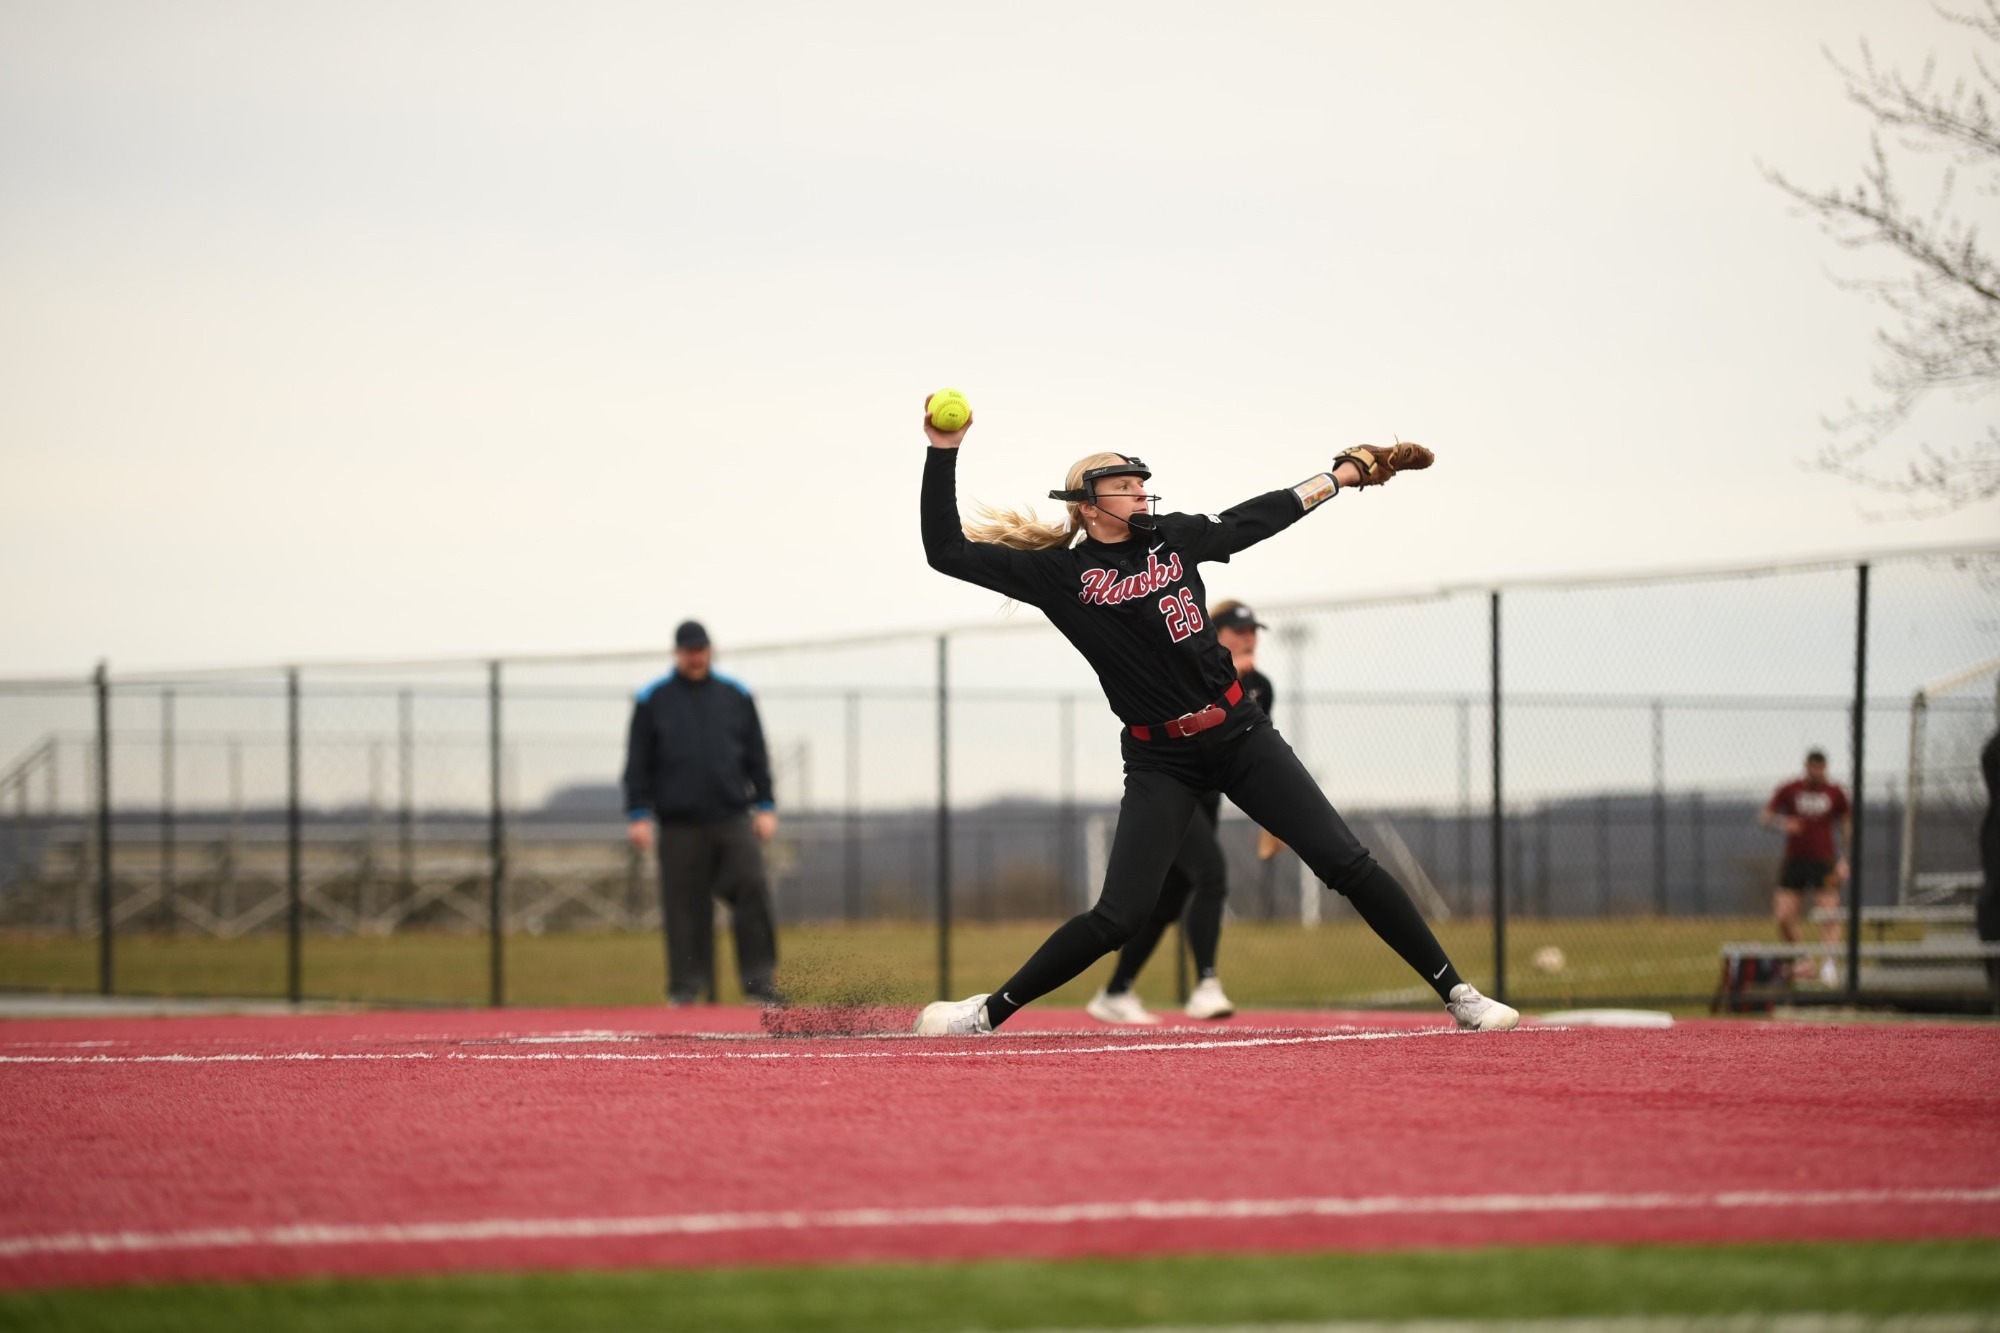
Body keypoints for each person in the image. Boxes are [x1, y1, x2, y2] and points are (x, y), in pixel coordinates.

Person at [913, 395, 1517, 1035]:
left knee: (1347, 863)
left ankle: (1459, 995)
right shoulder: (1058, 573)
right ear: (1087, 505)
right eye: (1124, 487)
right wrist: (942, 450)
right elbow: (944, 550)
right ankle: (986, 1013)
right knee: (1119, 917)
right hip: (1160, 757)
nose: (1141, 496)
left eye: (1143, 485)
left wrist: (1340, 475)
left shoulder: (1175, 536)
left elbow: (1258, 517)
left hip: (1238, 732)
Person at [1086, 599, 1273, 1024]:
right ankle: (1206, 985)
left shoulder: (1262, 685)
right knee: (1211, 875)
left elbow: (1259, 753)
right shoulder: (1186, 666)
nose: (1248, 638)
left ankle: (1115, 992)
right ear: (1214, 633)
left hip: (1207, 804)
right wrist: (1228, 681)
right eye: (1238, 630)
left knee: (1168, 902)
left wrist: (1273, 822)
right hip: (1173, 794)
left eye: (1253, 631)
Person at [622, 620, 783, 1005]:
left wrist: (765, 804)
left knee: (752, 887)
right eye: (689, 650)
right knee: (685, 907)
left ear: (709, 650)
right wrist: (638, 813)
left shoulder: (736, 695)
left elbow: (757, 755)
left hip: (731, 817)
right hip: (678, 822)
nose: (696, 657)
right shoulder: (652, 699)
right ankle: (685, 987)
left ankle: (759, 983)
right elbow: (638, 761)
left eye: (701, 649)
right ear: (677, 653)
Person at [1758, 749, 1851, 986]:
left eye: (1822, 768)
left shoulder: (1835, 792)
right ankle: (1803, 959)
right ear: (1807, 767)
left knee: (1829, 913)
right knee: (1783, 916)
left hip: (1824, 861)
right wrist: (1783, 822)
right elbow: (1765, 816)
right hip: (1795, 861)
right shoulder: (1790, 789)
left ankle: (1830, 965)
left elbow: (1846, 824)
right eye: (1814, 768)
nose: (1818, 773)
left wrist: (1844, 858)